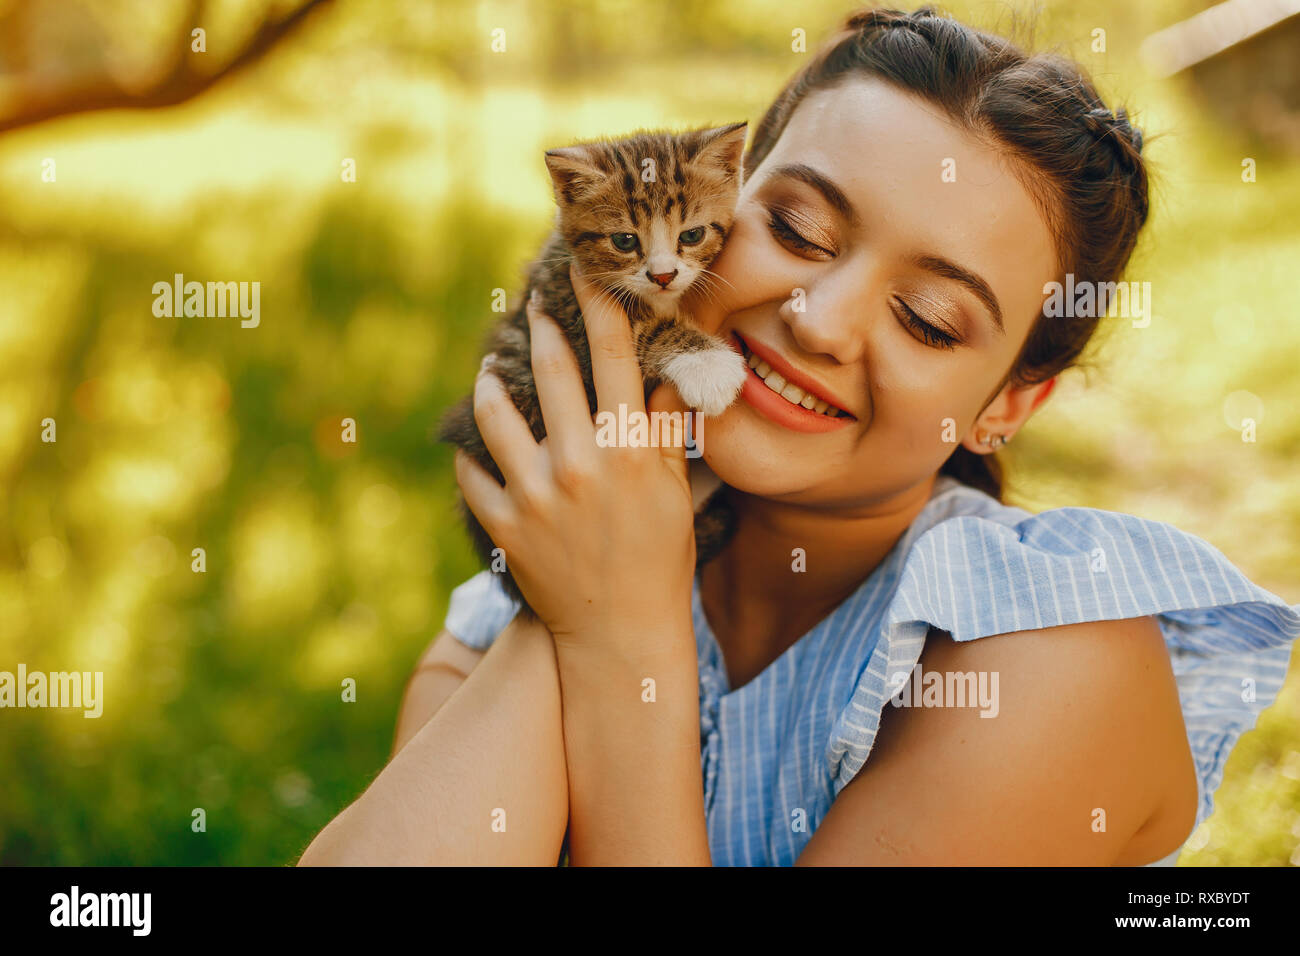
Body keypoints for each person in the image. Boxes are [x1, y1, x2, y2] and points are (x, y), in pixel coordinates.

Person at [299, 6, 1300, 866]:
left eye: (926, 319)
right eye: (796, 230)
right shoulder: (526, 591)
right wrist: (581, 569)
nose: (818, 319)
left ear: (1007, 405)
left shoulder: (1052, 664)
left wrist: (612, 631)